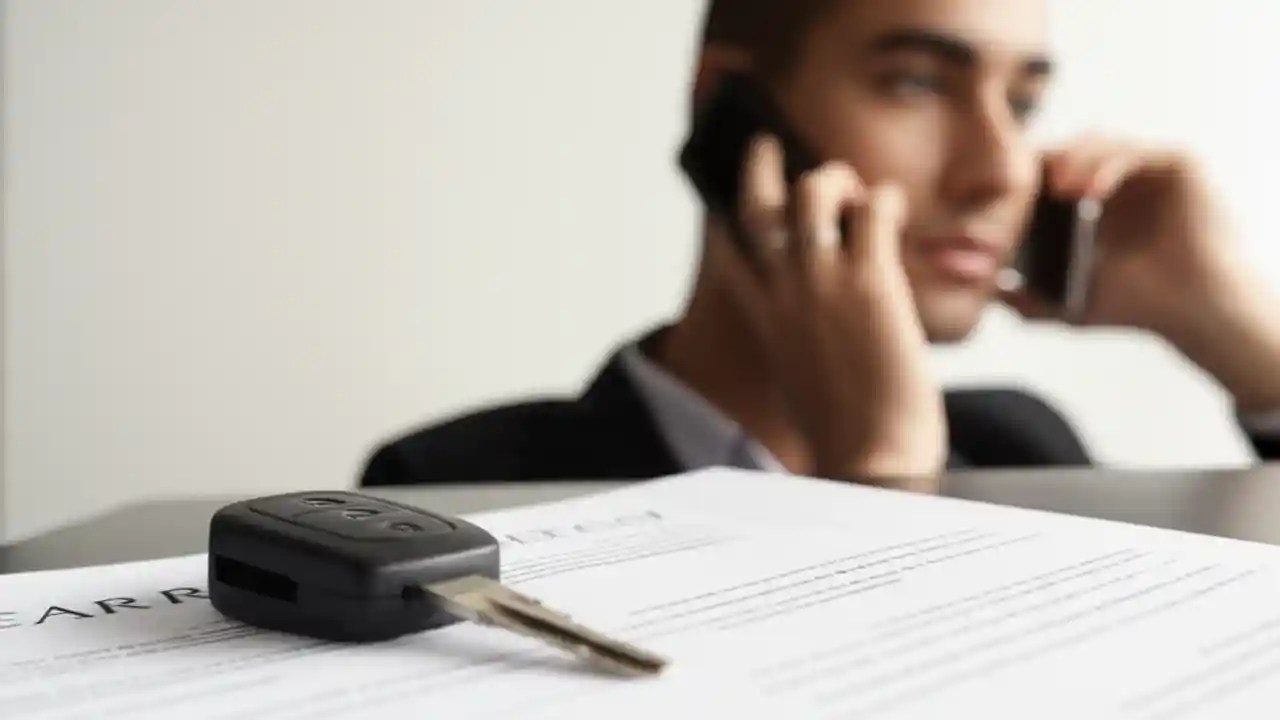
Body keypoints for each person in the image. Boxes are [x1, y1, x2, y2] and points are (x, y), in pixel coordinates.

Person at [361, 0, 1280, 488]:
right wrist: (881, 479)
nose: (1003, 170)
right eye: (918, 83)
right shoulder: (457, 483)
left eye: (1024, 104)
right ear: (729, 109)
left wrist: (1248, 345)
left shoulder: (1023, 441)